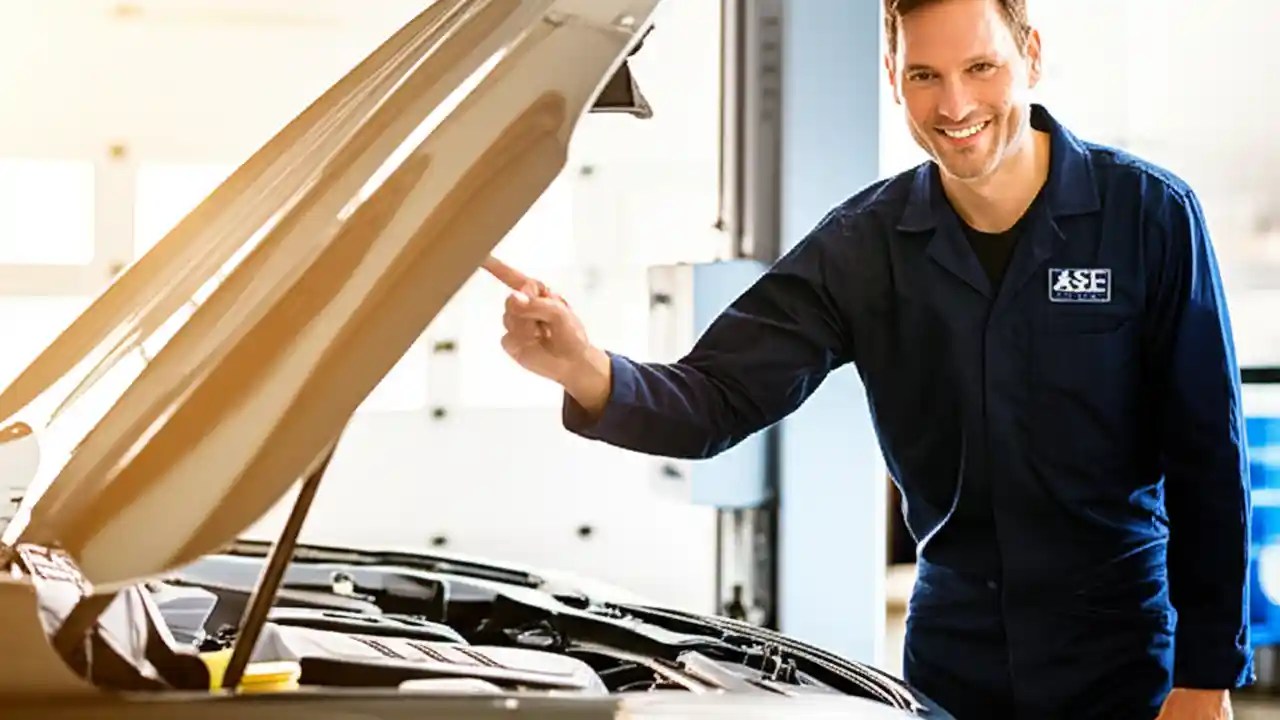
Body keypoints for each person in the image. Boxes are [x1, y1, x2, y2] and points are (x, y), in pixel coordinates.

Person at [487, 0, 1252, 717]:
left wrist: (1206, 676)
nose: (954, 106)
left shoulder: (1147, 216)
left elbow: (1208, 463)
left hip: (1122, 653)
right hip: (956, 655)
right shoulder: (866, 246)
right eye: (925, 75)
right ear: (894, 76)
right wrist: (583, 367)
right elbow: (718, 398)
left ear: (1032, 57)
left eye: (979, 68)